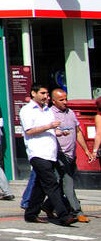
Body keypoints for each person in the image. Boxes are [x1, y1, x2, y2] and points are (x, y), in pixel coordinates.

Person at [20, 83, 77, 226]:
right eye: (43, 93)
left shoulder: (47, 110)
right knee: (52, 184)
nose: (46, 97)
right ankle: (64, 216)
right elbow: (29, 131)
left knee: (40, 186)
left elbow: (50, 131)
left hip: (50, 153)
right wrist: (49, 126)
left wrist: (59, 132)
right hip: (38, 153)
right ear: (33, 93)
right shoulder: (27, 110)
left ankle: (31, 214)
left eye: (46, 94)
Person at [49, 87, 88, 223]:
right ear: (54, 101)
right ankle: (77, 211)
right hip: (59, 155)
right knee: (68, 182)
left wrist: (87, 150)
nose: (65, 102)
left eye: (66, 99)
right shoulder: (50, 114)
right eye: (61, 100)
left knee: (60, 184)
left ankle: (47, 205)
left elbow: (77, 132)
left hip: (71, 155)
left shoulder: (71, 113)